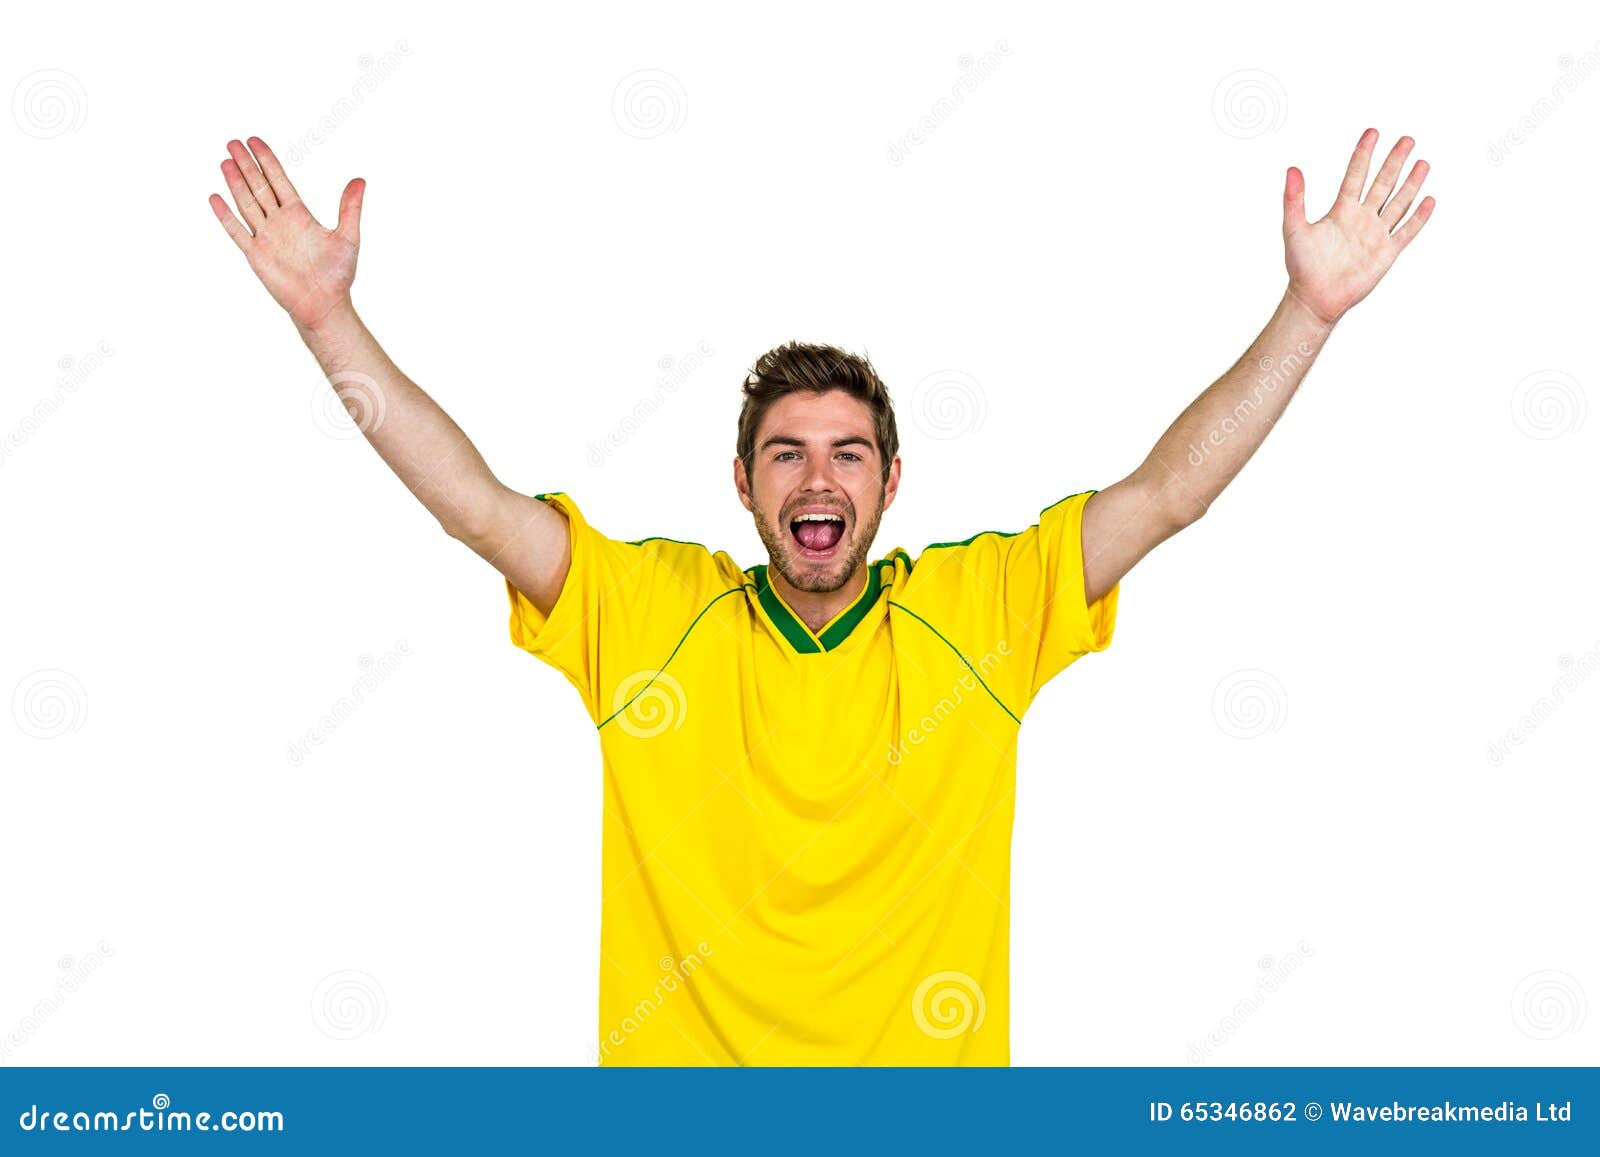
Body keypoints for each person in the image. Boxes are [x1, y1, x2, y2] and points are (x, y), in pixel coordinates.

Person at [209, 129, 1434, 1064]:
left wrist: (1306, 314)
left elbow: (1169, 492)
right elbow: (471, 504)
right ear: (742, 484)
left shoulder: (980, 608)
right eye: (786, 451)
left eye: (848, 452)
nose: (817, 476)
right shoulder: (648, 608)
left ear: (891, 482)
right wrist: (328, 320)